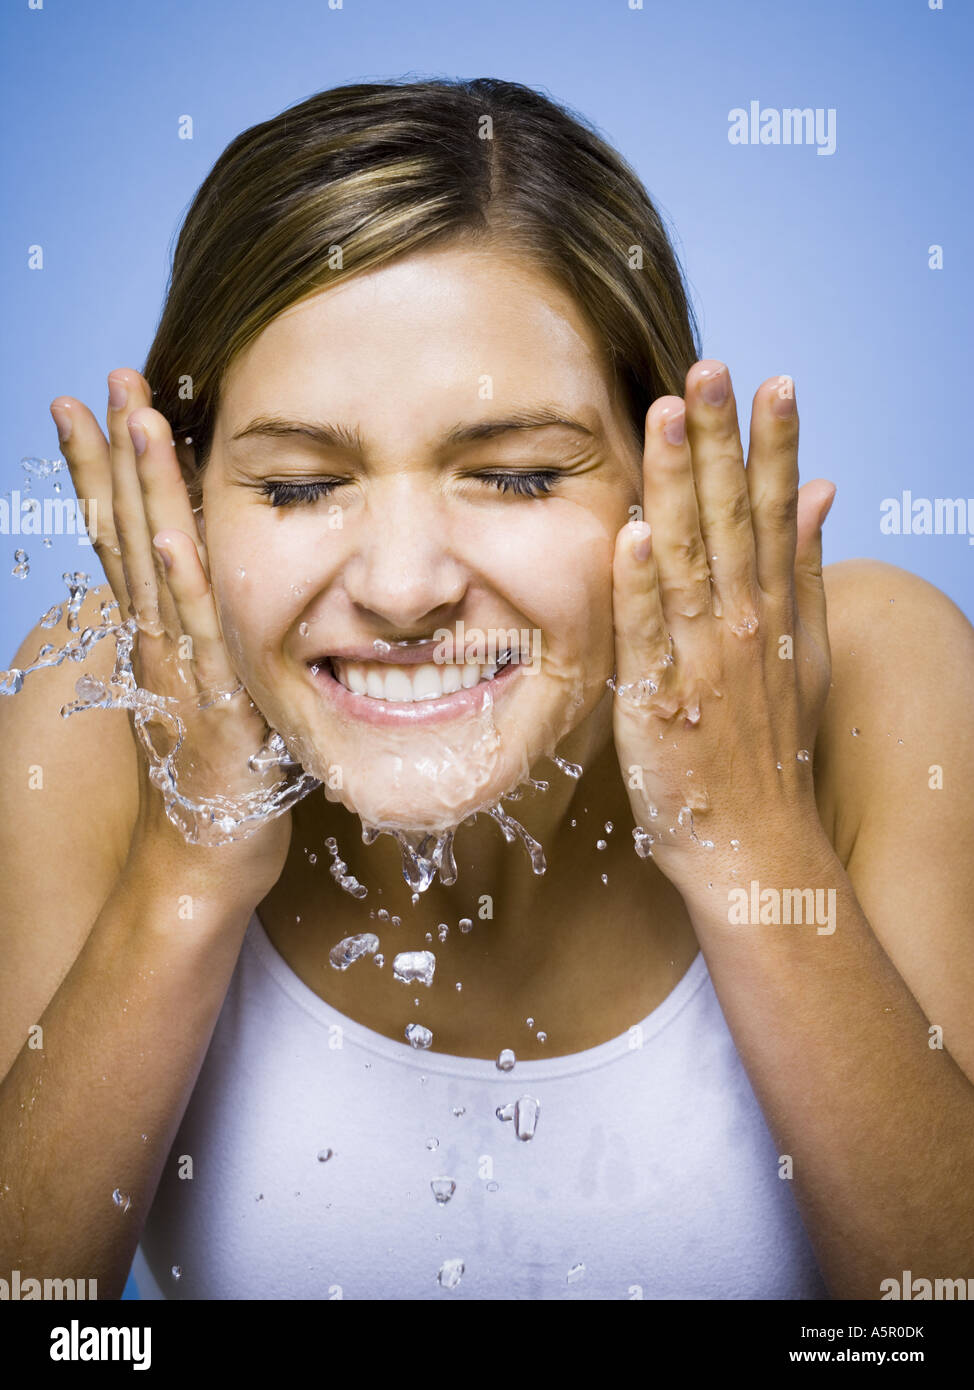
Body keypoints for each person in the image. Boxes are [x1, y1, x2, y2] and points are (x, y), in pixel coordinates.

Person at [1, 77, 972, 1302]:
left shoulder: (874, 676)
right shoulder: (97, 711)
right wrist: (187, 865)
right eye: (298, 486)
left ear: (660, 482)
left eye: (513, 476)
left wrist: (747, 839)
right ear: (182, 515)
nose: (404, 590)